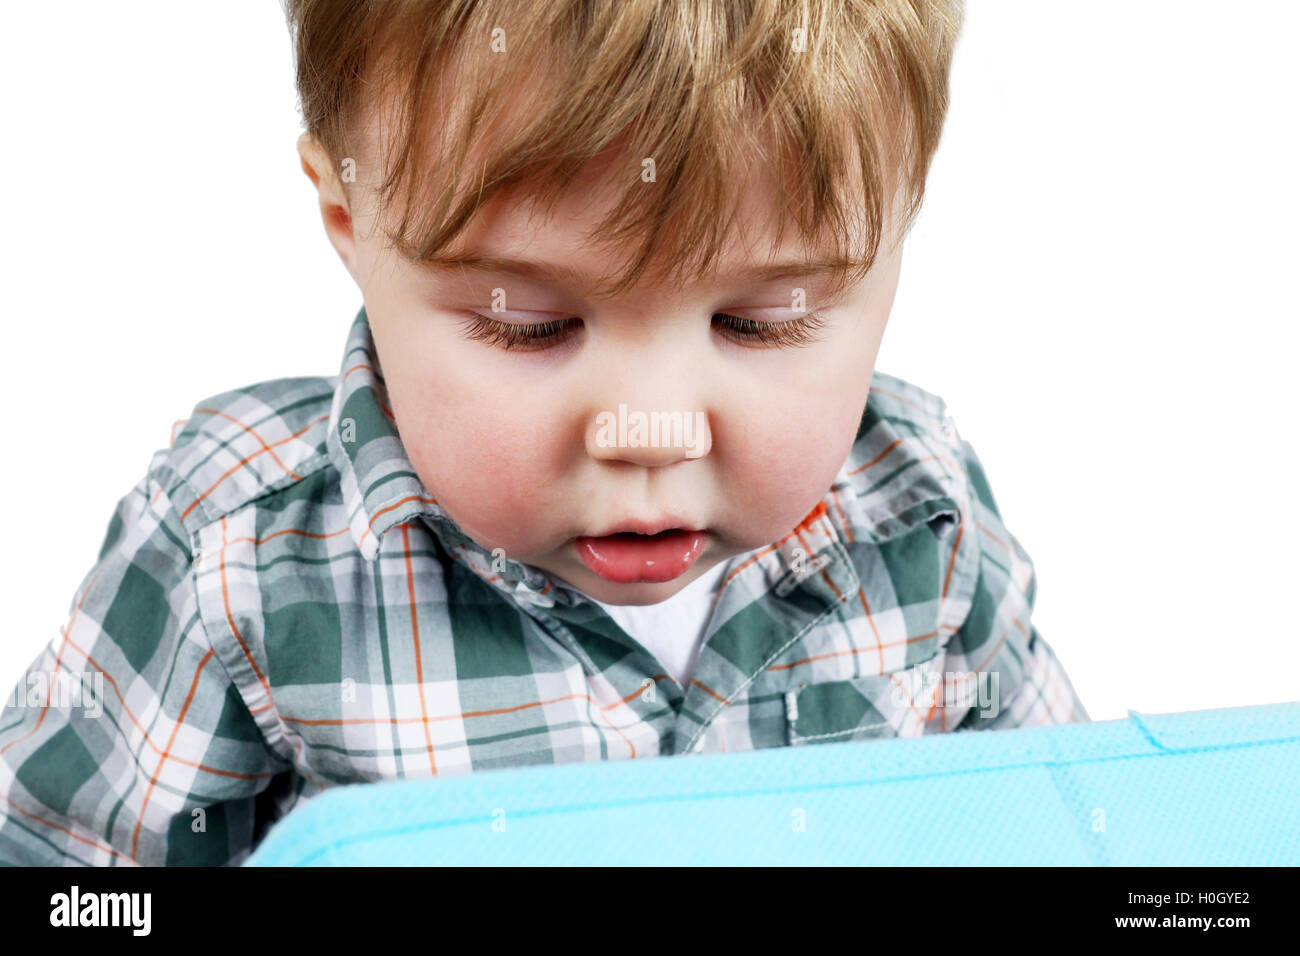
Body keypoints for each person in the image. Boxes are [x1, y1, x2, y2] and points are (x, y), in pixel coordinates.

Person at [0, 0, 1086, 866]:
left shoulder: (920, 517)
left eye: (762, 320)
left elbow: (1078, 831)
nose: (649, 431)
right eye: (531, 323)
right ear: (348, 222)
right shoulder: (238, 554)